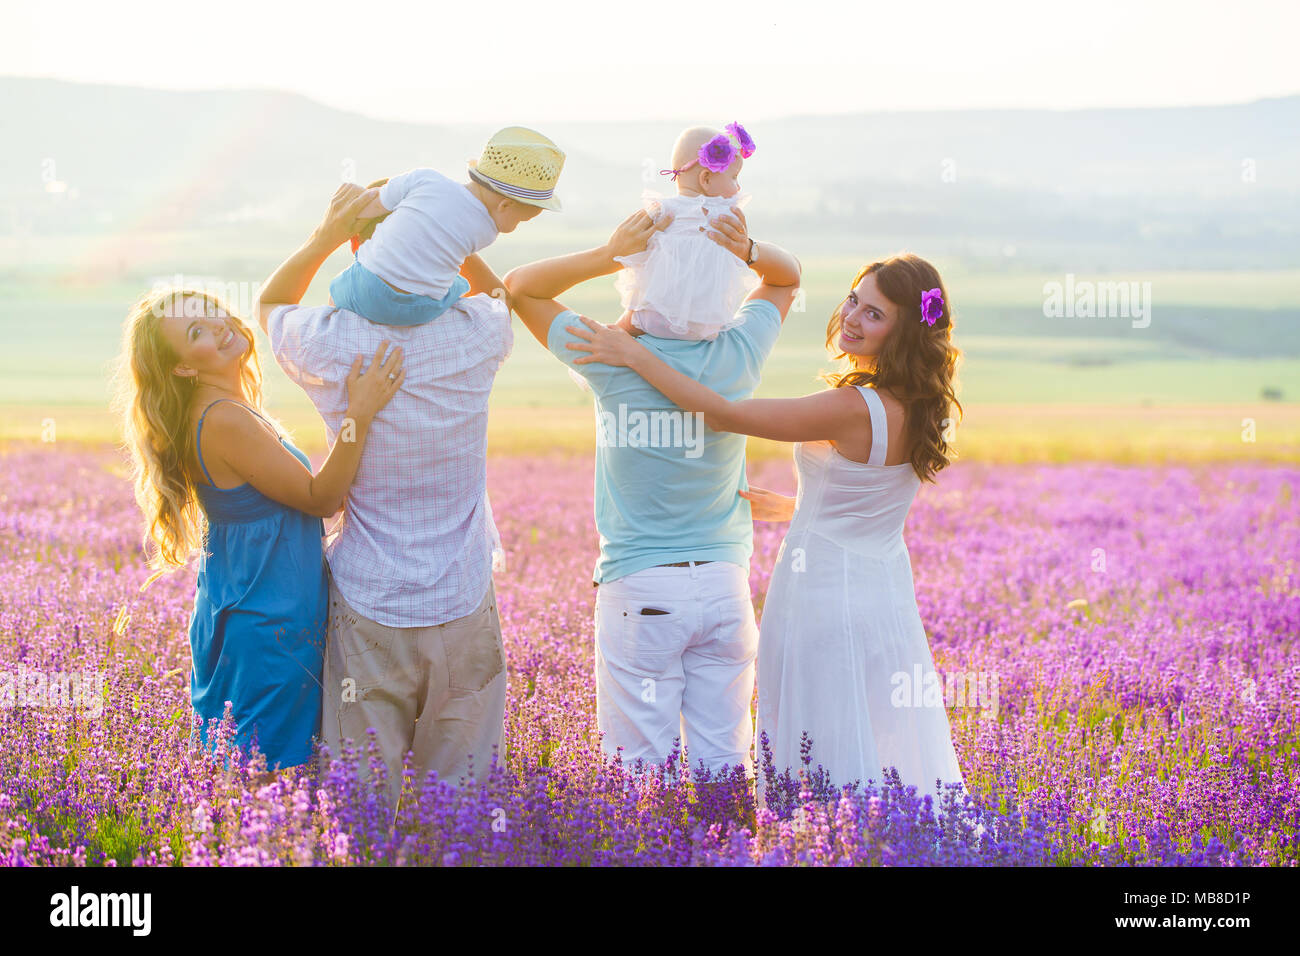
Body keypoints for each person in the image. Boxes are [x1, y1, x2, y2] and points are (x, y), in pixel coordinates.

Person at [564, 253, 971, 806]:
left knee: (815, 724)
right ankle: (887, 835)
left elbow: (723, 415)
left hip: (821, 592)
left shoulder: (851, 405)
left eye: (874, 314)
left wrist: (634, 354)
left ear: (903, 332)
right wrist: (798, 509)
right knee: (877, 721)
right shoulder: (922, 406)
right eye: (854, 298)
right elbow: (873, 497)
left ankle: (821, 836)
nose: (852, 317)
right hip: (885, 594)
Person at [254, 153, 554, 810]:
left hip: (368, 604)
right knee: (461, 806)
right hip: (462, 596)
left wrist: (329, 233)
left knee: (361, 804)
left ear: (366, 255)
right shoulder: (479, 334)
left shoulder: (327, 339)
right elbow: (499, 294)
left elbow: (272, 303)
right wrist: (463, 230)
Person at [504, 207, 801, 781]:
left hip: (640, 587)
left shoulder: (608, 356)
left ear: (639, 289)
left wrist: (610, 255)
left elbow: (520, 288)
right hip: (724, 584)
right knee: (725, 762)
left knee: (640, 770)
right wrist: (745, 249)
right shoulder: (739, 354)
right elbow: (785, 279)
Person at [116, 286, 402, 771]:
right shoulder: (223, 419)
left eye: (210, 313)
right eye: (196, 331)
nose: (218, 325)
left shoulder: (220, 412)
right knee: (260, 783)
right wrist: (360, 411)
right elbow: (322, 498)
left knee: (253, 776)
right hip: (268, 628)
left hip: (256, 617)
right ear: (183, 368)